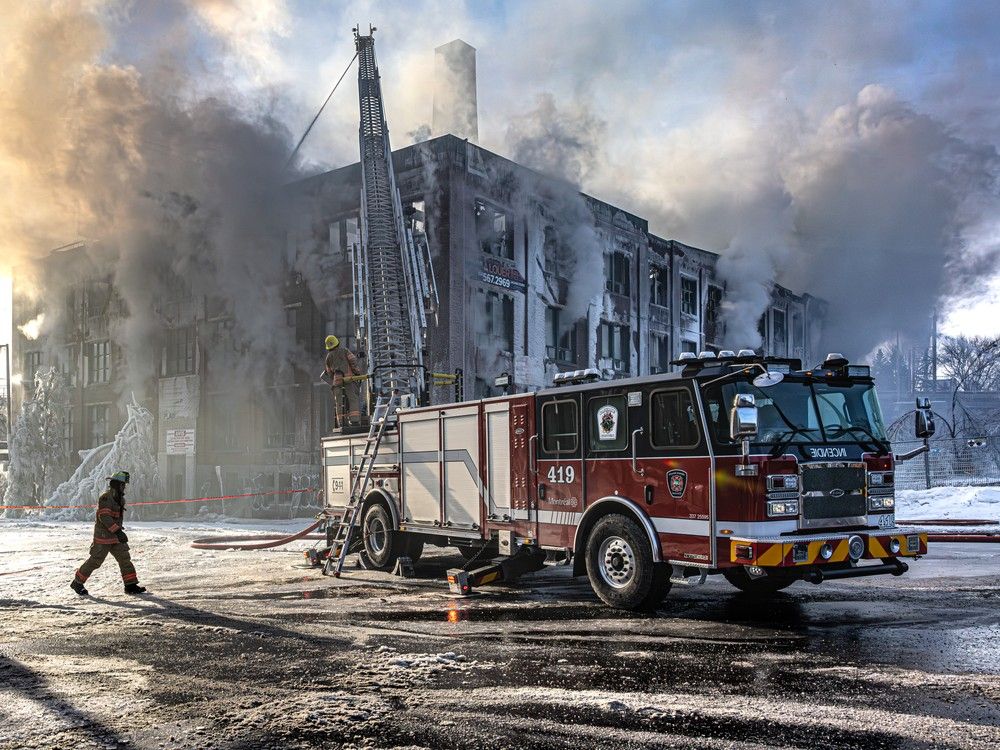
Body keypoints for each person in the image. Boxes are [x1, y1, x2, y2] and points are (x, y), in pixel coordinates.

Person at [70, 471, 147, 596]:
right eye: (123, 485)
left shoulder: (120, 499)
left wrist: (118, 532)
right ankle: (77, 582)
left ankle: (130, 585)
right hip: (103, 538)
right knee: (95, 561)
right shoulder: (105, 498)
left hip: (115, 537)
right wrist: (118, 531)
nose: (124, 487)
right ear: (117, 485)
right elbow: (104, 517)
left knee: (125, 559)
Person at [324, 335, 365, 428]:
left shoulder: (328, 357)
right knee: (352, 399)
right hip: (349, 380)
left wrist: (335, 379)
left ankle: (342, 423)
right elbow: (353, 362)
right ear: (337, 342)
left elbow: (329, 372)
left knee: (339, 403)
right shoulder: (345, 351)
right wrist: (357, 373)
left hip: (337, 383)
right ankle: (354, 421)